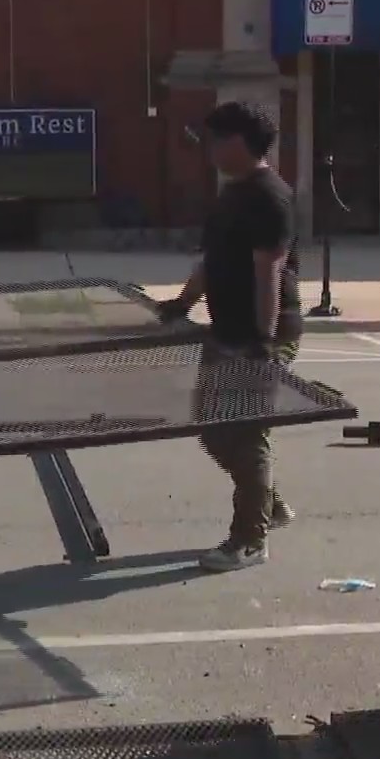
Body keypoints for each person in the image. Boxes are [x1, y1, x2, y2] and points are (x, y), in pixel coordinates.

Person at [157, 101, 303, 572]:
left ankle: (249, 541)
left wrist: (264, 341)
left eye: (218, 139)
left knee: (244, 434)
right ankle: (268, 505)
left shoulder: (269, 196)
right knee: (212, 427)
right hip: (227, 329)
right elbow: (210, 261)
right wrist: (182, 302)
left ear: (241, 141)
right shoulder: (231, 195)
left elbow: (270, 272)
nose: (211, 149)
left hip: (261, 333)